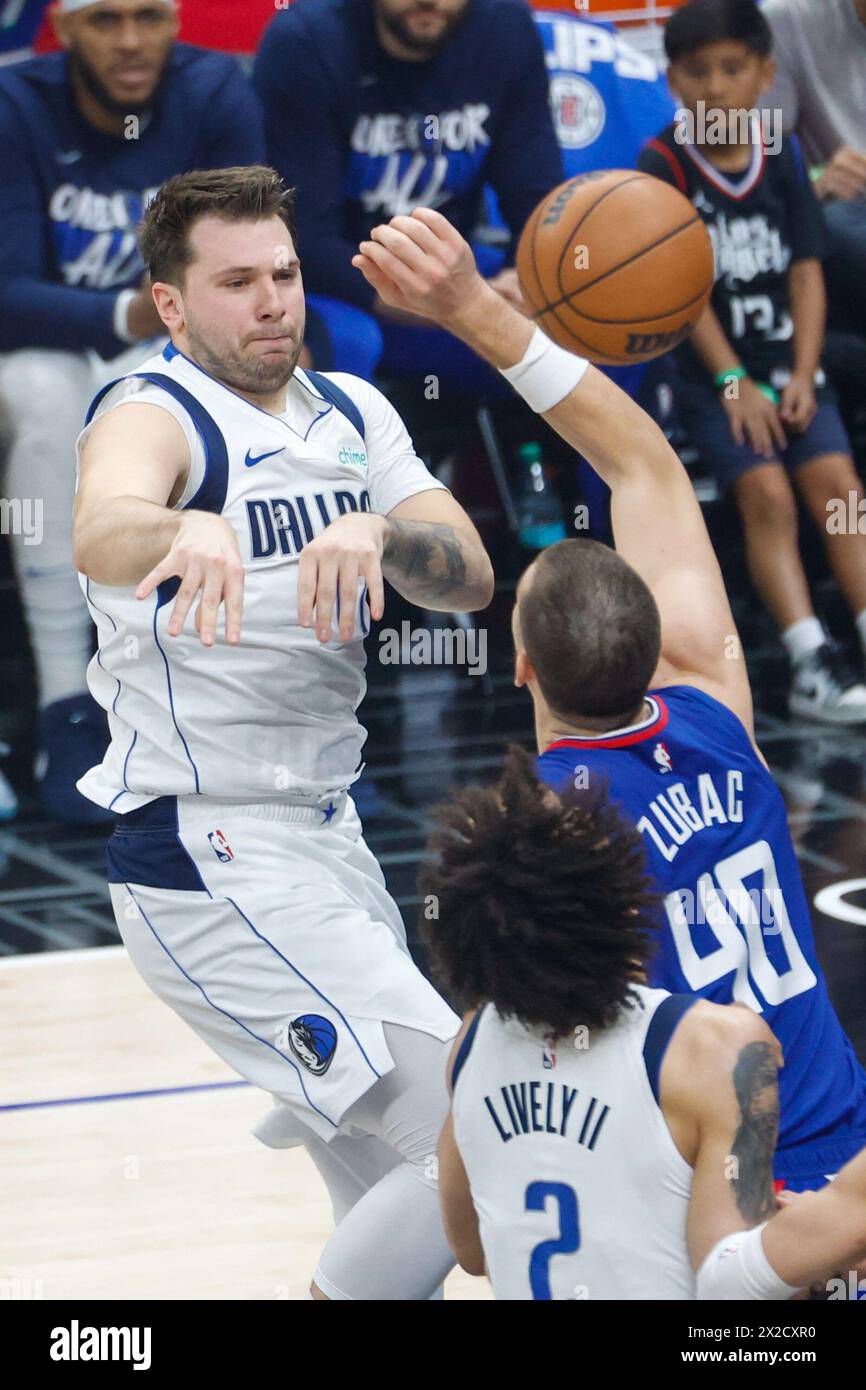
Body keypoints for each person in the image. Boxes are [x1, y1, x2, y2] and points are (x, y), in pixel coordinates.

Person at [351, 202, 866, 1203]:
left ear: (521, 669)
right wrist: (472, 308)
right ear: (652, 639)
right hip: (844, 1173)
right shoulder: (714, 700)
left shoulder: (539, 832)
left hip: (715, 1205)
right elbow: (640, 459)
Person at [72, 165, 494, 1301]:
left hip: (326, 838)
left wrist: (385, 536)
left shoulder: (354, 413)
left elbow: (467, 577)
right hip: (206, 855)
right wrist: (181, 527)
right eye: (237, 282)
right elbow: (103, 526)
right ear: (170, 305)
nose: (273, 301)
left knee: (404, 1211)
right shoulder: (153, 411)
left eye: (287, 274)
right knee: (476, 1137)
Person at [421, 747, 866, 1299]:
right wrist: (830, 1226)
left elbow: (470, 1248)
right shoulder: (716, 1044)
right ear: (626, 906)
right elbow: (731, 1287)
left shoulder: (470, 1044)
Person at [0, 0, 265, 823]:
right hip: (53, 350)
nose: (128, 41)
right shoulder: (16, 106)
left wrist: (156, 324)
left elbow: (250, 252)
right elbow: (7, 295)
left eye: (148, 17)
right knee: (50, 398)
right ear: (64, 29)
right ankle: (65, 711)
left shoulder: (216, 89)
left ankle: (242, 710)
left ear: (176, 22)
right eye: (104, 20)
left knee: (222, 395)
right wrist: (130, 314)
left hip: (170, 335)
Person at [636, 0, 866, 723]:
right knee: (766, 496)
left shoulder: (784, 153)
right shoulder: (663, 162)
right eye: (698, 71)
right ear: (672, 79)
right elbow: (683, 288)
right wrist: (736, 382)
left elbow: (806, 270)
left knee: (840, 489)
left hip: (788, 364)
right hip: (715, 378)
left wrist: (802, 374)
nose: (716, 86)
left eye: (733, 68)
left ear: (766, 75)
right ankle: (810, 661)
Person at [253, 0, 563, 382]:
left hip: (451, 266)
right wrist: (452, 304)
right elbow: (303, 237)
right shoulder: (306, 41)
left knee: (590, 317)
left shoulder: (505, 27)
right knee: (347, 343)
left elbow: (537, 197)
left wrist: (522, 284)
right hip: (338, 286)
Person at [763, 0, 866, 347]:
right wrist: (816, 181)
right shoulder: (786, 20)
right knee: (837, 224)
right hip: (844, 221)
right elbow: (749, 170)